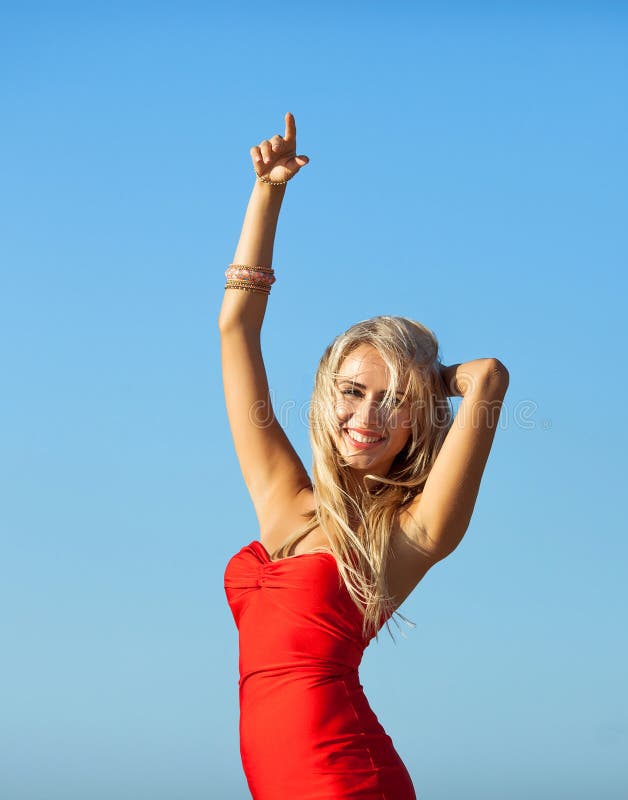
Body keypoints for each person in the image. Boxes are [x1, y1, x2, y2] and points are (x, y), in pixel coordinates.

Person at [219, 112, 510, 800]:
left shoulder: (411, 531)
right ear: (327, 393)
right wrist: (268, 192)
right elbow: (236, 329)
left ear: (419, 418)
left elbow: (489, 377)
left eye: (394, 402)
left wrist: (430, 380)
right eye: (352, 392)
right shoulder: (284, 497)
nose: (367, 417)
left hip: (347, 781)